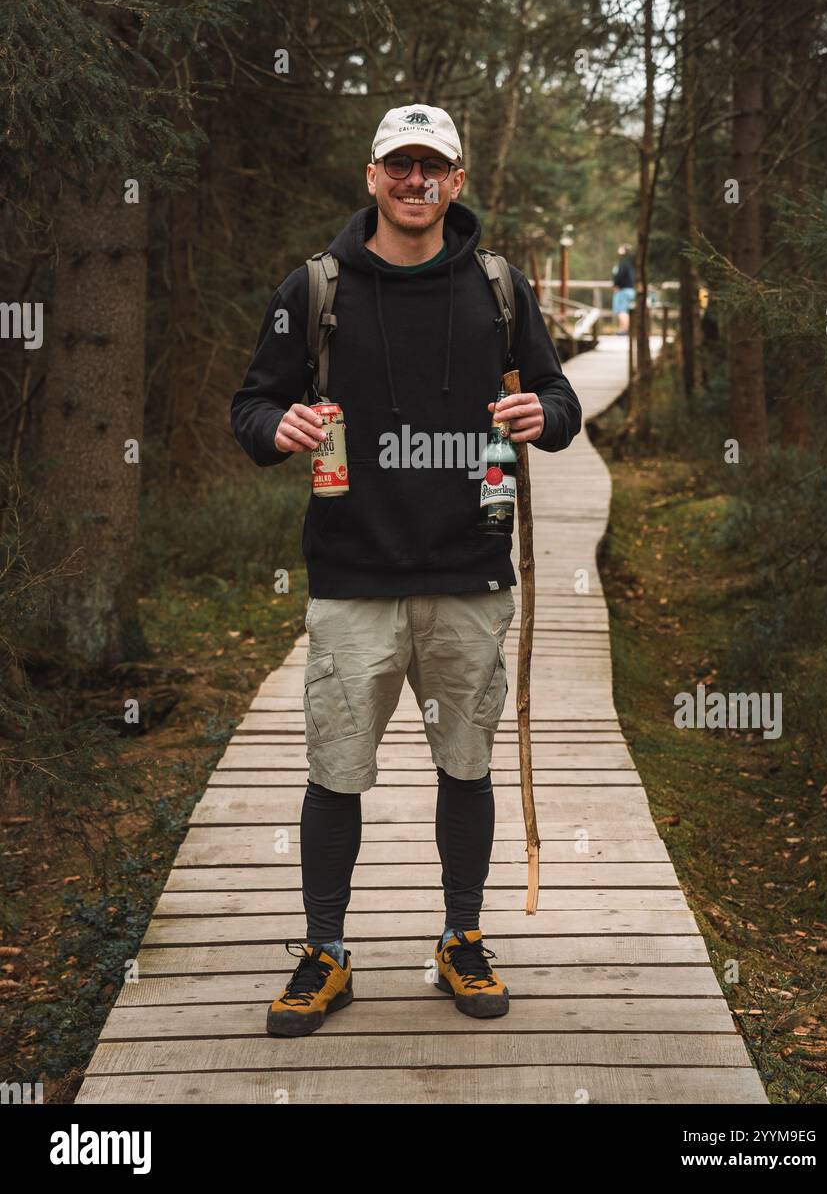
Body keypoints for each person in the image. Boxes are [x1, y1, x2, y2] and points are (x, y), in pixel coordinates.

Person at [231, 103, 582, 1037]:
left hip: (470, 570)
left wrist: (542, 418)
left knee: (466, 767)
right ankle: (325, 954)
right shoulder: (316, 287)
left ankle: (460, 939)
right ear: (373, 176)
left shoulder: (501, 290)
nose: (416, 182)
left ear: (457, 181)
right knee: (335, 772)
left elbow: (560, 396)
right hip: (352, 576)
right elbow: (252, 408)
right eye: (400, 166)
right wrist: (282, 428)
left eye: (433, 168)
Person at [611, 243, 637, 334]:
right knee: (625, 310)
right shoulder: (632, 263)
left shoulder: (623, 263)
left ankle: (624, 329)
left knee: (622, 310)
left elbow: (619, 275)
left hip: (623, 290)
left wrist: (616, 285)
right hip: (630, 289)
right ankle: (624, 328)